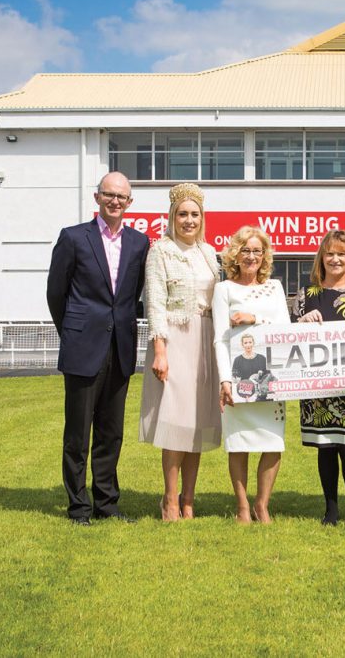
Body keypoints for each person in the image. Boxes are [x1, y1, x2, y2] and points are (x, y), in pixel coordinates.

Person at [46, 171, 149, 526]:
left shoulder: (139, 243)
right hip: (82, 346)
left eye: (121, 196)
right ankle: (78, 507)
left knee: (111, 432)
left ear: (129, 202)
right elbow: (55, 293)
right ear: (97, 197)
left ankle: (107, 503)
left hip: (120, 347)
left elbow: (132, 295)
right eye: (109, 194)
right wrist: (72, 332)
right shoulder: (73, 238)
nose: (115, 201)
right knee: (78, 433)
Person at [139, 182, 222, 521]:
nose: (189, 220)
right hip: (174, 338)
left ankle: (189, 499)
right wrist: (160, 349)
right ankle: (170, 499)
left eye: (195, 214)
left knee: (197, 422)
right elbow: (154, 301)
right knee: (175, 422)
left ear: (203, 218)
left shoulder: (209, 253)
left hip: (205, 339)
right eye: (183, 214)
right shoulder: (160, 250)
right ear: (173, 216)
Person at [291, 230, 345, 526]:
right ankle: (330, 508)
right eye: (330, 254)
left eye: (342, 253)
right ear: (321, 258)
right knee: (326, 446)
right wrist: (301, 323)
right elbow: (289, 341)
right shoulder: (306, 296)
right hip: (317, 388)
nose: (335, 259)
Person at [212, 225, 290, 524]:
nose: (251, 256)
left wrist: (254, 318)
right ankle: (243, 506)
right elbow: (220, 338)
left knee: (273, 443)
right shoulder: (224, 289)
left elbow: (284, 328)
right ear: (236, 253)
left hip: (271, 378)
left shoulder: (275, 287)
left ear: (264, 255)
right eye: (246, 250)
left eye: (257, 251)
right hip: (238, 377)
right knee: (239, 442)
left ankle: (262, 504)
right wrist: (224, 380)